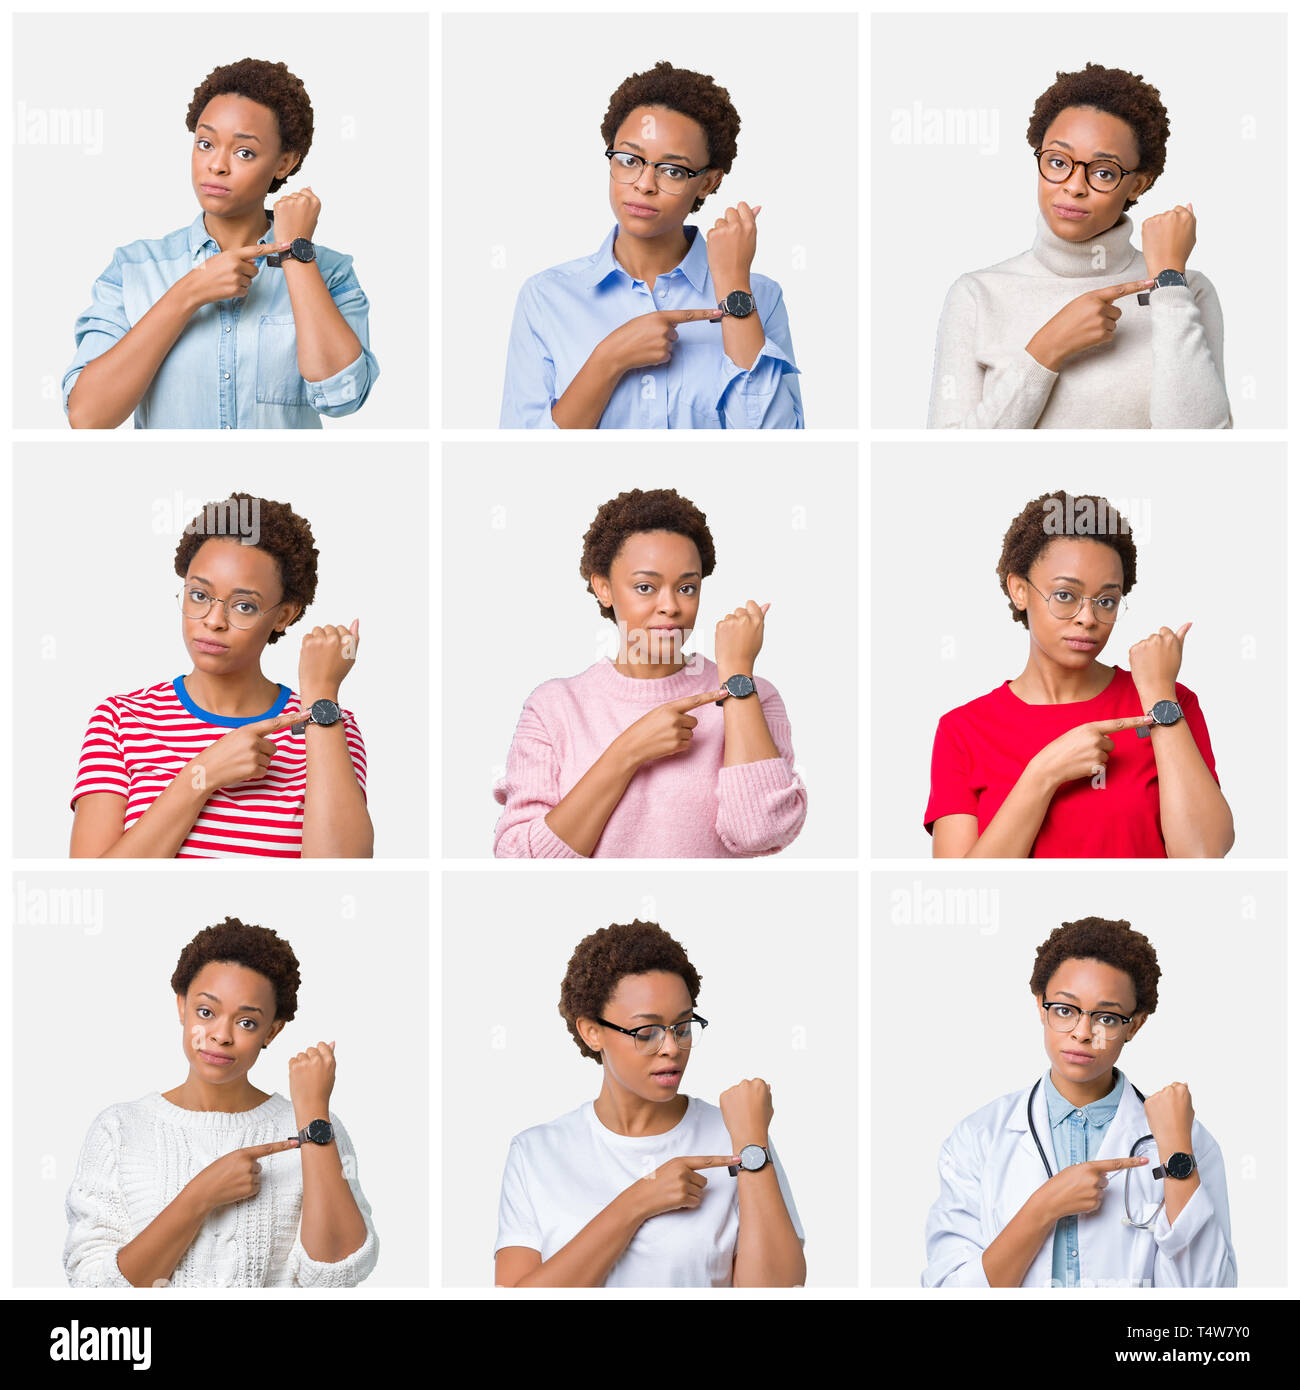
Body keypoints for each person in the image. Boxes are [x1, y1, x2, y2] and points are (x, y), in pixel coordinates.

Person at [64, 58, 378, 428]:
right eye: (206, 143)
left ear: (285, 163)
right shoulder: (134, 268)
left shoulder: (331, 273)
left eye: (244, 152)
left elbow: (343, 398)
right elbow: (88, 417)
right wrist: (189, 293)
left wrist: (296, 252)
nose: (217, 165)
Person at [923, 916, 1236, 1288]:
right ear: (1041, 1006)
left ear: (1134, 1025)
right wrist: (1043, 1208)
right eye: (1065, 1010)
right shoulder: (978, 1138)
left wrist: (1176, 1154)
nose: (1083, 1034)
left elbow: (1210, 1293)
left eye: (1106, 1017)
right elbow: (949, 1290)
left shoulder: (1186, 1140)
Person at [493, 487, 806, 857]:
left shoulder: (755, 695)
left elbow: (761, 832)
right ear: (604, 588)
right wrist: (628, 752)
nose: (671, 606)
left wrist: (737, 673)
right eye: (646, 587)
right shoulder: (553, 708)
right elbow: (521, 861)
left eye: (687, 587)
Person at [64, 918, 377, 1287]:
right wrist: (201, 1195)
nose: (221, 1036)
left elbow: (335, 1277)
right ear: (182, 1007)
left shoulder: (315, 1129)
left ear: (272, 1031)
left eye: (246, 1022)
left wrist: (311, 1114)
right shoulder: (119, 1129)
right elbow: (94, 1288)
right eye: (206, 1012)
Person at [494, 920, 805, 1287]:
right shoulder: (536, 1152)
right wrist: (639, 1201)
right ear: (592, 1031)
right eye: (647, 1032)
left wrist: (753, 1143)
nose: (672, 1047)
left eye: (683, 1026)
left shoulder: (737, 1137)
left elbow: (777, 1290)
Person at [925, 490, 1232, 858]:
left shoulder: (1171, 702)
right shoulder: (963, 731)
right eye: (1066, 595)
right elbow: (965, 890)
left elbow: (1202, 855)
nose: (1088, 618)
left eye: (1106, 601)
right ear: (1019, 590)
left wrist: (1157, 693)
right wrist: (1043, 774)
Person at [500, 60, 802, 428]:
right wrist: (608, 360)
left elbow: (776, 448)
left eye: (672, 170)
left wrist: (734, 286)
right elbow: (526, 459)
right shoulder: (545, 298)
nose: (644, 183)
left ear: (707, 183)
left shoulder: (762, 299)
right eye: (629, 160)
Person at [927, 62, 1229, 429]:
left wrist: (1168, 280)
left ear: (1137, 185)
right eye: (1058, 161)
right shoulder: (977, 294)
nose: (1074, 186)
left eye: (1103, 171)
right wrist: (1046, 350)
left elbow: (1203, 451)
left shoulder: (1187, 289)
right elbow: (950, 463)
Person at [70, 492, 372, 858]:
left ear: (284, 615)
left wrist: (321, 693)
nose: (213, 621)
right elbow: (99, 893)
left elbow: (337, 880)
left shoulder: (331, 726)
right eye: (199, 595)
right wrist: (202, 775)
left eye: (244, 605)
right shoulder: (121, 719)